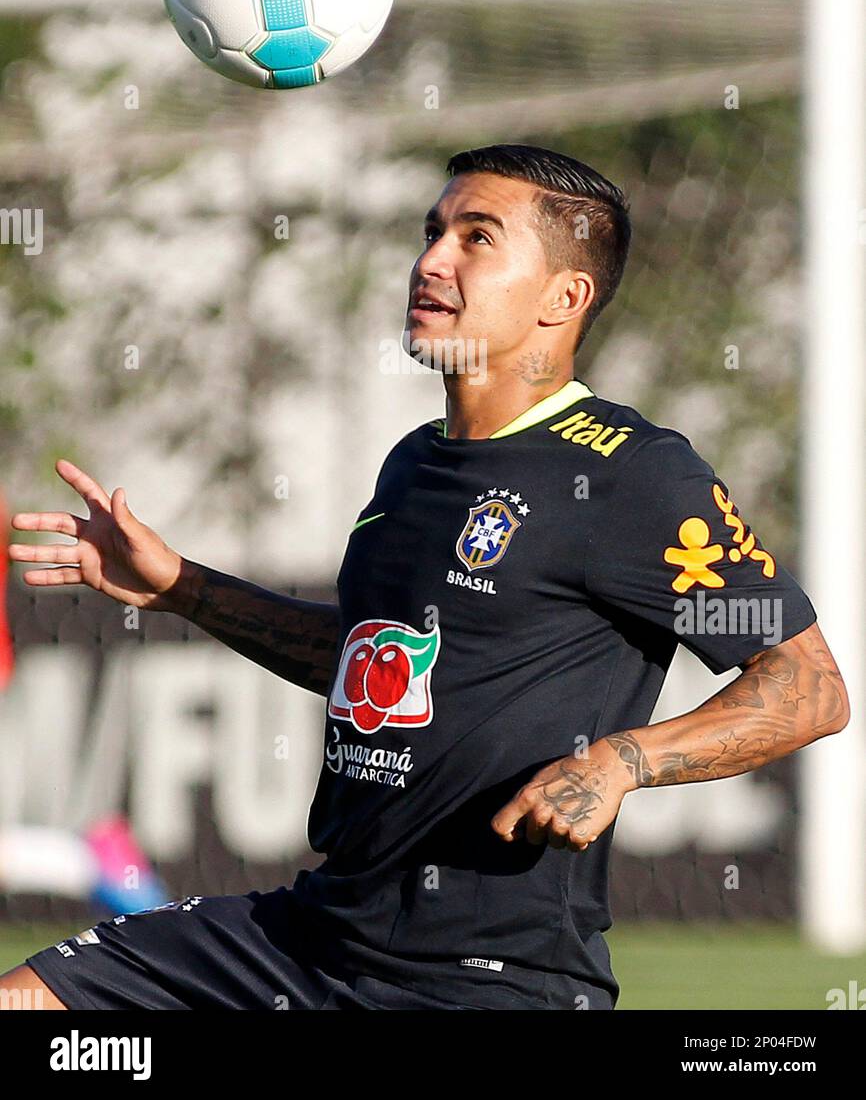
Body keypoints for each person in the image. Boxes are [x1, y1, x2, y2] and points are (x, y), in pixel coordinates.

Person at [0, 143, 849, 1011]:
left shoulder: (637, 475)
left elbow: (809, 685)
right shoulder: (415, 463)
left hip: (479, 983)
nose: (432, 260)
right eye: (433, 231)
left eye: (477, 238)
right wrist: (184, 586)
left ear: (565, 297)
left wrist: (625, 760)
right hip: (311, 936)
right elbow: (375, 664)